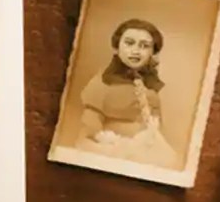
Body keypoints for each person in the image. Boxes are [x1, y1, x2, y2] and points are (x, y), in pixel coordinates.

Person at [75, 18, 180, 168]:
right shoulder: (102, 83)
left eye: (144, 46)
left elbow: (154, 118)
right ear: (117, 47)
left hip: (147, 145)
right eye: (129, 43)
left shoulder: (149, 85)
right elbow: (90, 124)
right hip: (108, 145)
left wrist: (151, 134)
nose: (136, 51)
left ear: (152, 52)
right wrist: (108, 141)